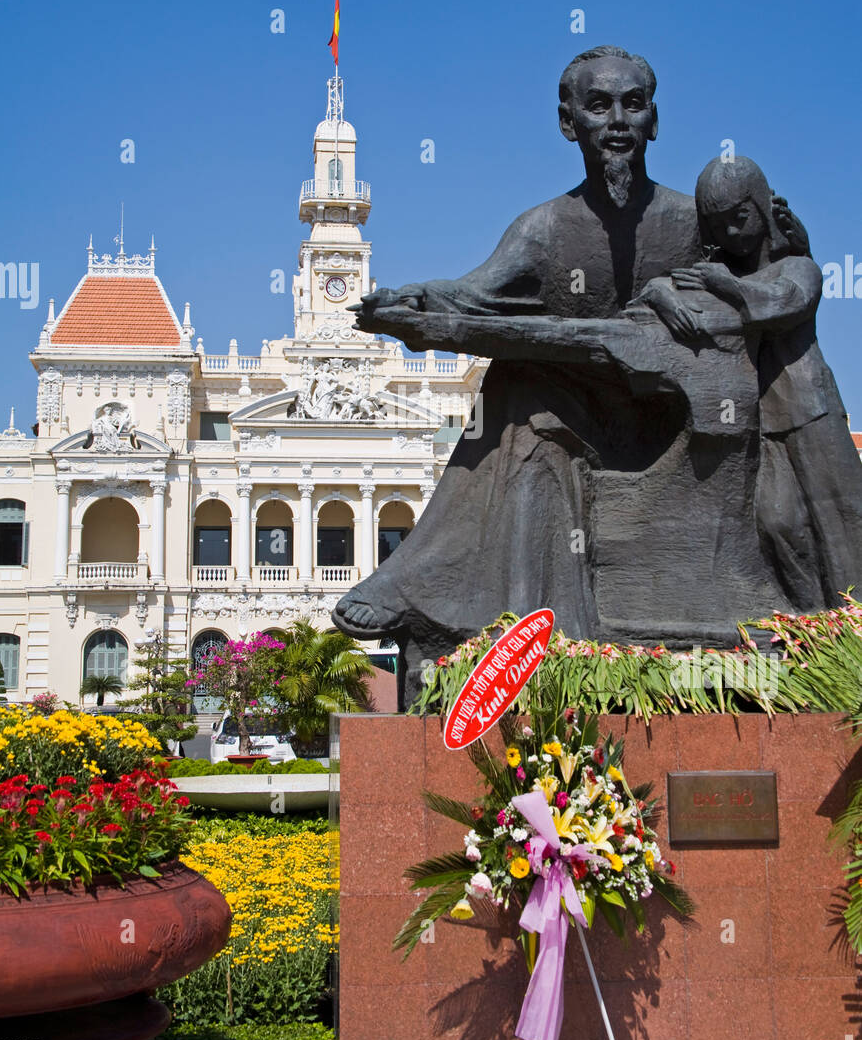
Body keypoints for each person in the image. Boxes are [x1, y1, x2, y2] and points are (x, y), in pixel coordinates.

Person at [332, 46, 711, 701]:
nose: (617, 121)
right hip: (578, 423)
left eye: (633, 104)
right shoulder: (544, 228)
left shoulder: (692, 223)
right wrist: (415, 301)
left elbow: (765, 282)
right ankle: (488, 611)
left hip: (673, 425)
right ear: (570, 124)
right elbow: (472, 293)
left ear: (655, 120)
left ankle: (414, 577)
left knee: (522, 384)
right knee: (516, 385)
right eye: (599, 106)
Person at [661, 155, 862, 608]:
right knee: (778, 522)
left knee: (841, 525)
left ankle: (852, 626)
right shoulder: (726, 275)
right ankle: (814, 624)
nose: (730, 233)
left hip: (812, 413)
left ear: (764, 207)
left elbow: (782, 301)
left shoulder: (799, 268)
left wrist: (725, 285)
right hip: (765, 419)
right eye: (719, 225)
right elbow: (669, 286)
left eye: (740, 218)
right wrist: (662, 293)